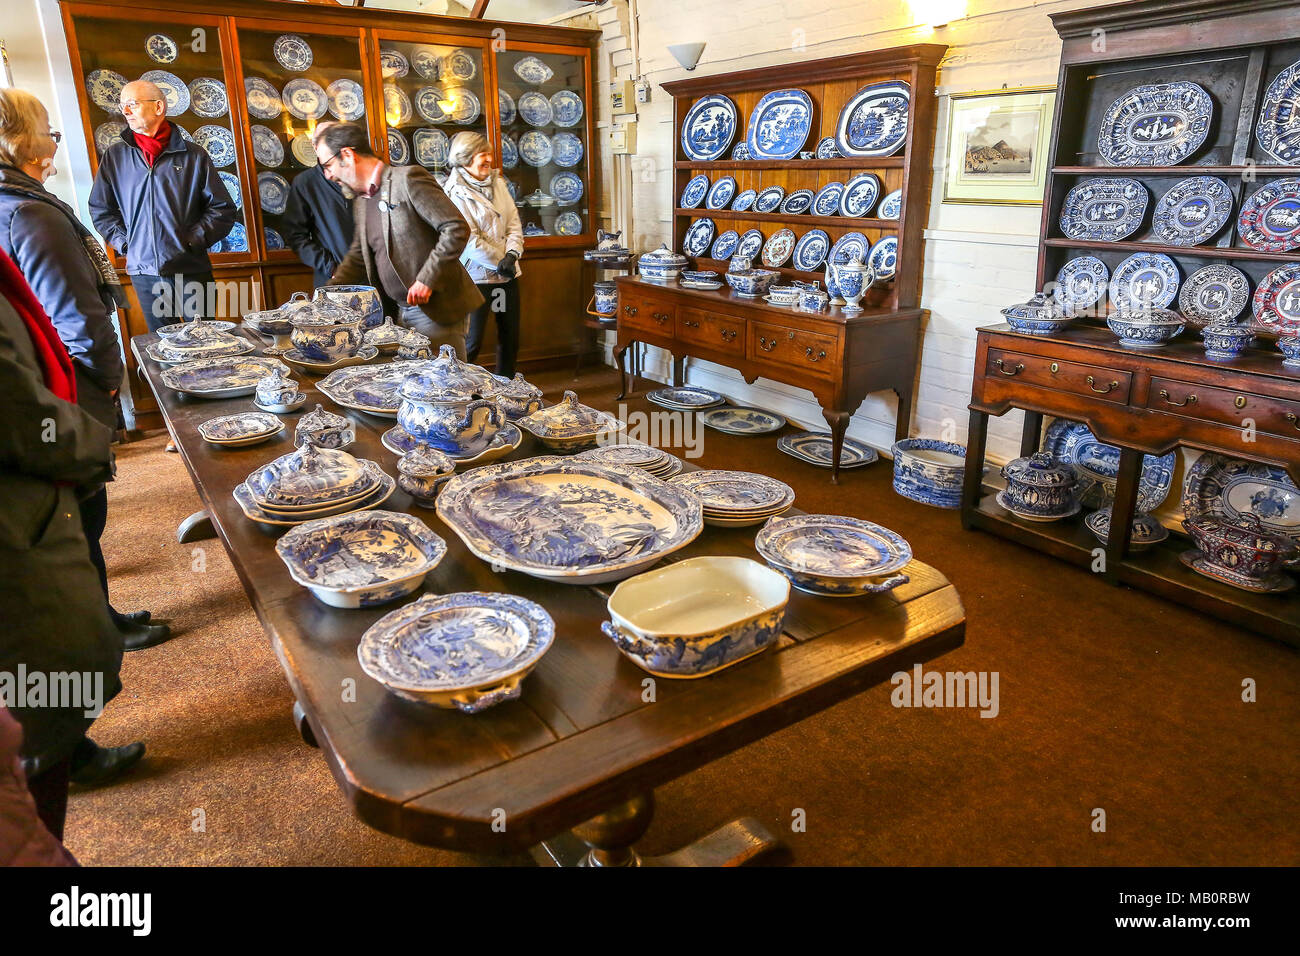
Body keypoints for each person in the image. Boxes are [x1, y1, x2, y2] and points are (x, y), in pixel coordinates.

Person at [0, 88, 171, 652]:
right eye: (48, 127)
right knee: (80, 517)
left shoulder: (17, 201)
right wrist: (107, 377)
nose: (55, 138)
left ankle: (103, 616)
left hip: (51, 383)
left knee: (77, 521)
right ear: (20, 139)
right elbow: (74, 313)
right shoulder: (28, 211)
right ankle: (97, 629)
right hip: (71, 385)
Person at [0, 246, 143, 840]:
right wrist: (93, 443)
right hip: (21, 521)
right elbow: (18, 410)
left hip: (31, 504)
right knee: (37, 711)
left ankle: (65, 754)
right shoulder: (28, 212)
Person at [314, 122, 483, 357]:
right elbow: (357, 257)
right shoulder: (362, 200)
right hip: (399, 313)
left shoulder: (408, 179)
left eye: (328, 165)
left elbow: (455, 228)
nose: (328, 175)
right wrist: (322, 300)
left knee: (448, 387)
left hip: (436, 309)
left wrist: (427, 279)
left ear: (347, 154)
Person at [88, 79, 236, 333]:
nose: (125, 111)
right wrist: (128, 244)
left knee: (205, 342)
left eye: (132, 104)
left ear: (158, 107)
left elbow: (222, 208)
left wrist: (191, 240)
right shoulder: (115, 156)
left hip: (191, 269)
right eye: (123, 105)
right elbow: (101, 209)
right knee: (163, 347)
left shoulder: (194, 155)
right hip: (145, 273)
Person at [442, 131, 525, 378]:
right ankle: (459, 389)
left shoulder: (497, 182)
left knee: (509, 336)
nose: (489, 161)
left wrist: (512, 254)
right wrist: (500, 261)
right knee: (472, 342)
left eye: (489, 155)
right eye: (483, 156)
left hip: (506, 277)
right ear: (465, 159)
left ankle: (507, 387)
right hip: (477, 280)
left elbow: (513, 223)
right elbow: (468, 240)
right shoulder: (455, 191)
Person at [281, 120, 355, 288]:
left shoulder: (359, 176)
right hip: (334, 279)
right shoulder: (305, 183)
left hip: (376, 277)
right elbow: (296, 236)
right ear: (315, 147)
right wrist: (331, 266)